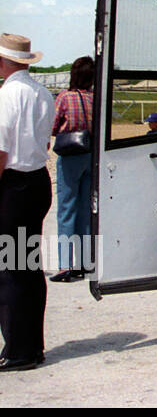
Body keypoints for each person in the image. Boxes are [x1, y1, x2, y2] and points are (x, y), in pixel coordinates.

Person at [0, 33, 56, 371]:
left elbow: (2, 150)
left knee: (11, 270)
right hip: (37, 180)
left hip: (15, 185)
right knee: (29, 267)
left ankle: (19, 349)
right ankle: (32, 344)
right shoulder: (42, 92)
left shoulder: (8, 95)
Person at [50, 57, 94, 282]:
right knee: (86, 210)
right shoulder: (95, 99)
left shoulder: (65, 97)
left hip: (70, 157)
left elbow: (54, 125)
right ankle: (86, 262)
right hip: (90, 155)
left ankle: (65, 265)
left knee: (67, 210)